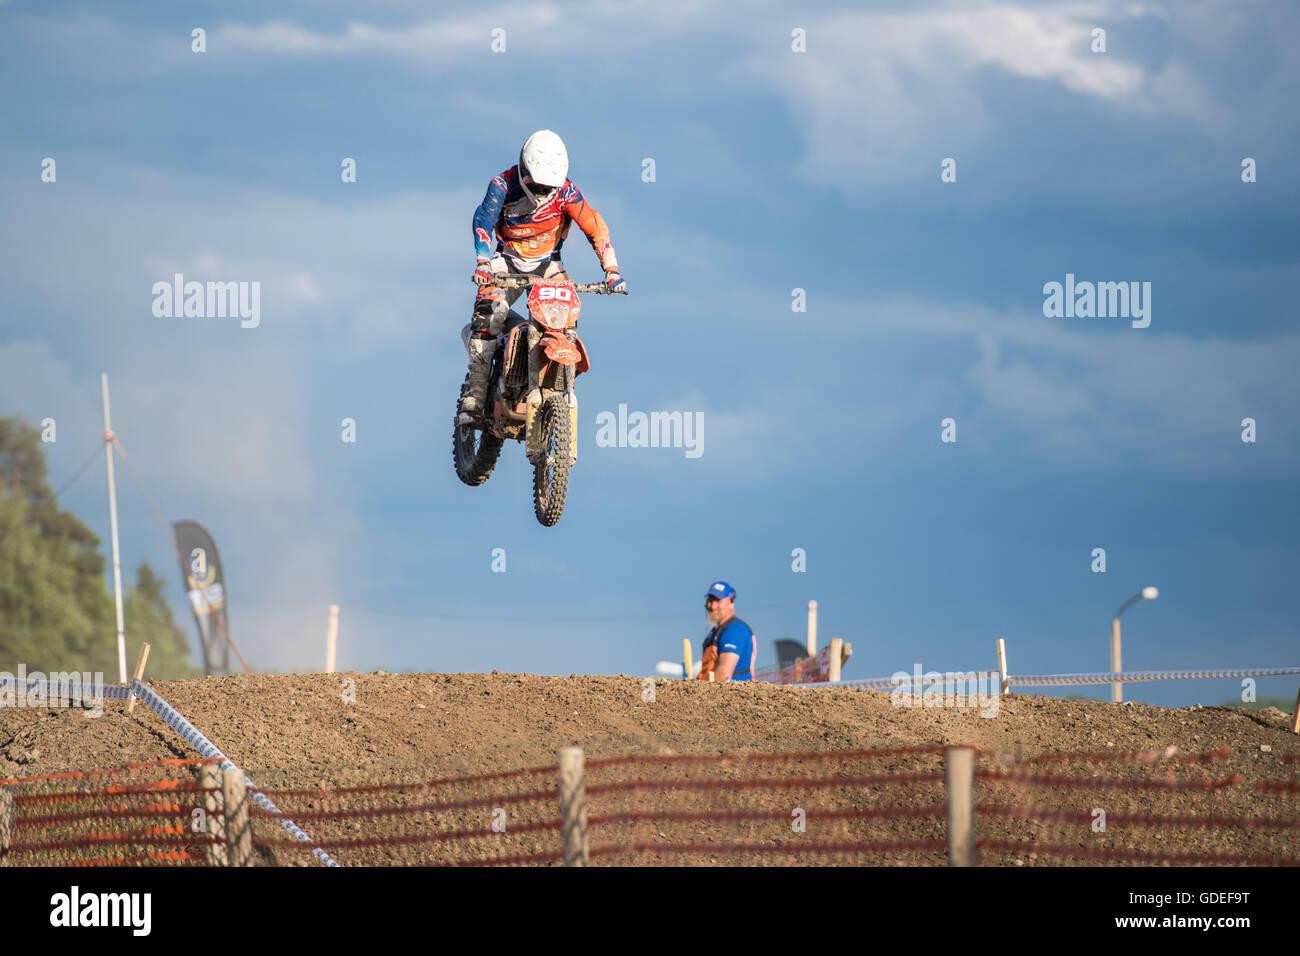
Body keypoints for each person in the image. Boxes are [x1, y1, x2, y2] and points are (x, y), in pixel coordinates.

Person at [458, 129, 626, 424]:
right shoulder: (502, 185)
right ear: (524, 170)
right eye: (536, 184)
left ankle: (545, 381)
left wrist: (611, 269)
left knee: (565, 320)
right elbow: (483, 219)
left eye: (547, 186)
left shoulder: (566, 193)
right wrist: (483, 262)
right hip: (505, 261)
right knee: (489, 315)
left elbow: (594, 226)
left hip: (548, 265)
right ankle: (475, 392)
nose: (541, 191)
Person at [698, 581, 755, 682]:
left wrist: (699, 691)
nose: (712, 606)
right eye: (710, 601)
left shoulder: (735, 629)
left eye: (718, 601)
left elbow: (724, 672)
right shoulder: (715, 632)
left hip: (732, 694)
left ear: (730, 603)